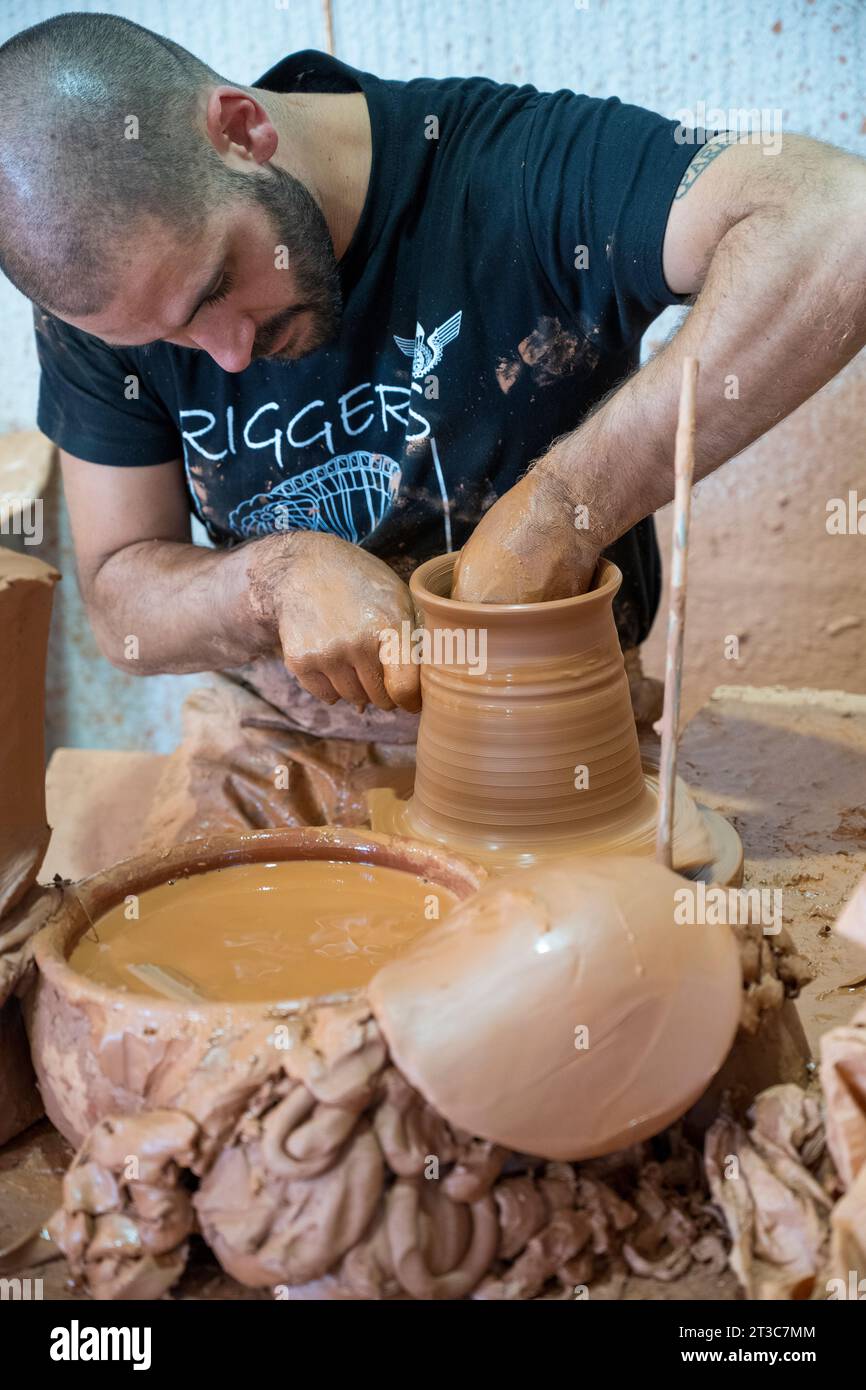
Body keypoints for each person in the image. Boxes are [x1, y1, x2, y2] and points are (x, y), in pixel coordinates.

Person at [1, 13, 863, 838]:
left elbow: (837, 222)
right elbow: (121, 600)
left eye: (217, 284)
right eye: (167, 337)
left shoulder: (511, 168)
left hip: (551, 738)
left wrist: (565, 507)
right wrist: (270, 581)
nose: (224, 354)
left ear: (243, 131)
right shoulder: (106, 304)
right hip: (273, 742)